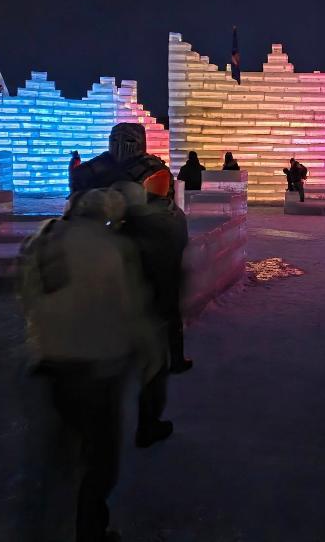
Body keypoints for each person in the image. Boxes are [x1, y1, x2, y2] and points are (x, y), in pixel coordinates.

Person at [18, 187, 154, 542]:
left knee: (64, 448)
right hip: (98, 365)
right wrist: (146, 351)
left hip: (53, 361)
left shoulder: (44, 239)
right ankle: (90, 529)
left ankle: (49, 520)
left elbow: (28, 295)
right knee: (101, 457)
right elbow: (128, 308)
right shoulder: (112, 248)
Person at [114, 175, 189, 451]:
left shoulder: (122, 229)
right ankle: (148, 423)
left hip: (128, 305)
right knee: (153, 365)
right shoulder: (173, 218)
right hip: (159, 295)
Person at [70, 122, 167, 195]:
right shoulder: (102, 161)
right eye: (115, 140)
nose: (120, 145)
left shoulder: (152, 167)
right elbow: (79, 176)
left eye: (129, 140)